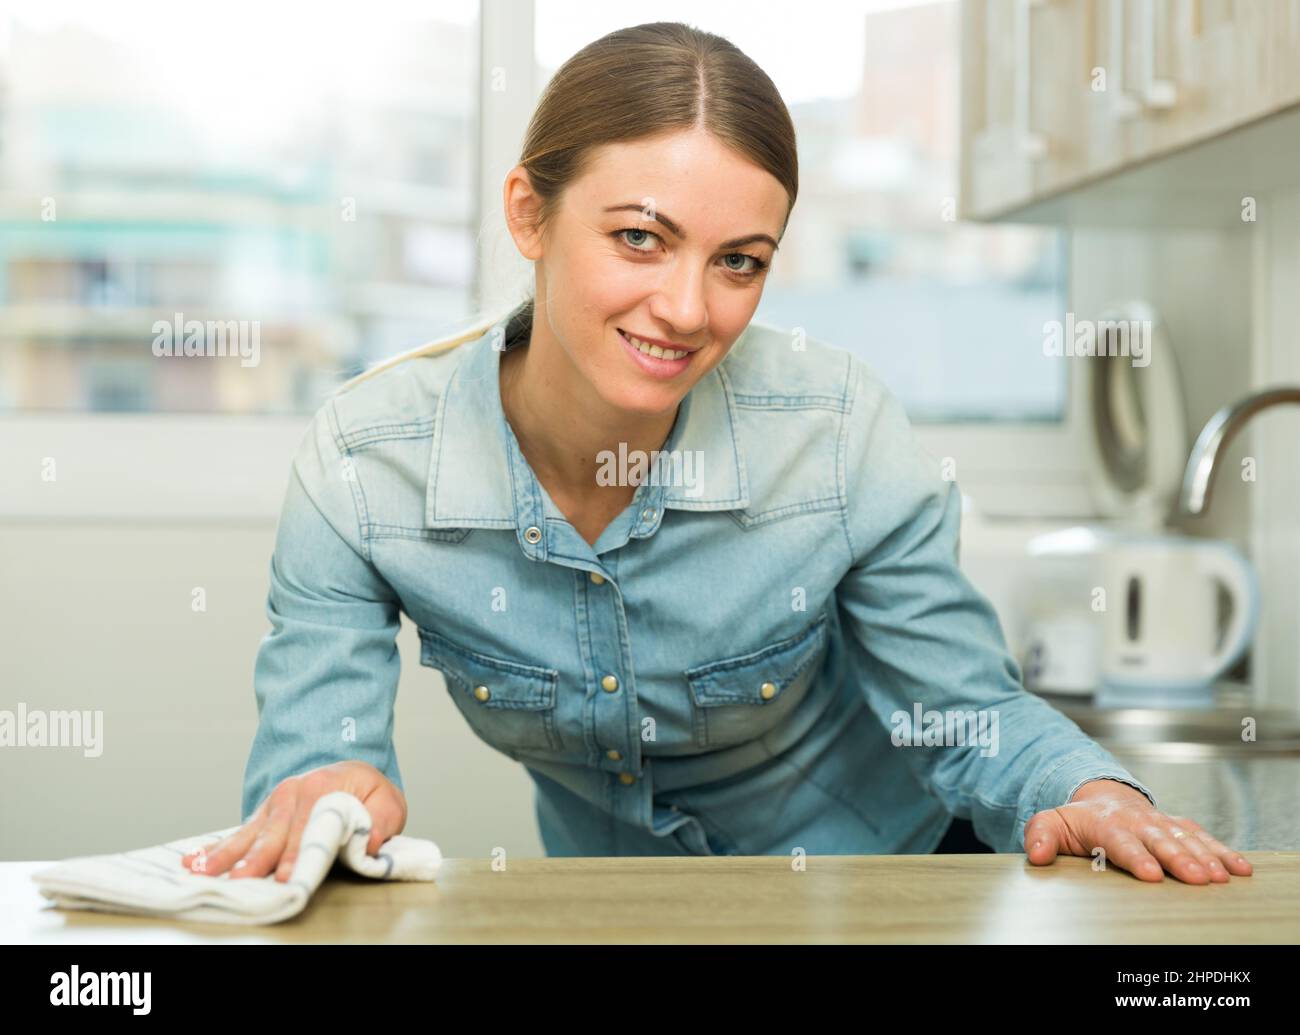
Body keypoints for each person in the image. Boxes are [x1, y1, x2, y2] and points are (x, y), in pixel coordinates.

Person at [183, 21, 1251, 886]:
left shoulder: (832, 434)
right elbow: (319, 755)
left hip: (882, 888)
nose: (686, 309)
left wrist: (1096, 794)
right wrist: (326, 796)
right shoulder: (367, 468)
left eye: (738, 262)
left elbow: (964, 711)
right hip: (621, 911)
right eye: (638, 238)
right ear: (528, 213)